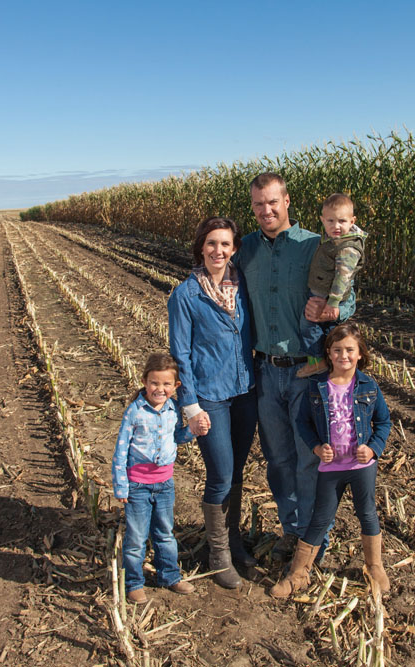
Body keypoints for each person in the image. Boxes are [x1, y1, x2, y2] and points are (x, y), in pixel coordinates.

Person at [234, 172, 355, 563]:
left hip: (309, 370)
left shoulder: (314, 246)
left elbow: (348, 297)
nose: (265, 210)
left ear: (287, 202)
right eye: (257, 204)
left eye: (272, 201)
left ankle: (314, 539)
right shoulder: (246, 249)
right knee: (279, 459)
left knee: (311, 458)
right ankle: (291, 530)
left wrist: (331, 308)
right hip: (266, 371)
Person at [270, 323, 392, 598]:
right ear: (328, 353)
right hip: (331, 468)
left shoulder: (368, 386)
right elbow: (302, 422)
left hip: (361, 467)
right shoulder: (317, 387)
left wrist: (373, 449)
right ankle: (298, 575)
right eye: (337, 350)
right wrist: (315, 448)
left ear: (360, 353)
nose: (344, 356)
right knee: (319, 519)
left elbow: (383, 421)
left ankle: (375, 567)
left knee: (367, 514)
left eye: (350, 350)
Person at [168, 217, 258, 589]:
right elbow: (180, 355)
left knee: (236, 470)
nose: (218, 251)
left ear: (234, 249)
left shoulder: (244, 287)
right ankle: (218, 554)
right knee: (220, 473)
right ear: (200, 248)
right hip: (209, 397)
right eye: (211, 244)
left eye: (225, 244)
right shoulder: (186, 295)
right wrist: (190, 406)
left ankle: (233, 540)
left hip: (245, 392)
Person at [112, 353, 198, 603]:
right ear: (144, 382)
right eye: (154, 383)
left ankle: (169, 576)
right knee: (137, 538)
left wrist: (192, 431)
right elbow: (121, 449)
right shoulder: (135, 412)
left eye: (166, 384)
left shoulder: (173, 409)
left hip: (164, 484)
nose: (160, 389)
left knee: (164, 532)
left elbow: (177, 438)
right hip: (137, 485)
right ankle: (133, 582)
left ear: (175, 387)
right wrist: (121, 485)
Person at [297, 193, 367, 378]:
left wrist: (334, 303)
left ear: (352, 220)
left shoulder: (347, 247)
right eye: (330, 221)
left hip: (327, 296)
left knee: (308, 324)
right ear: (322, 220)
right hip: (322, 292)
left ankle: (318, 359)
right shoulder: (330, 240)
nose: (336, 226)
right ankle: (325, 359)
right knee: (325, 328)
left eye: (342, 221)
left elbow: (344, 278)